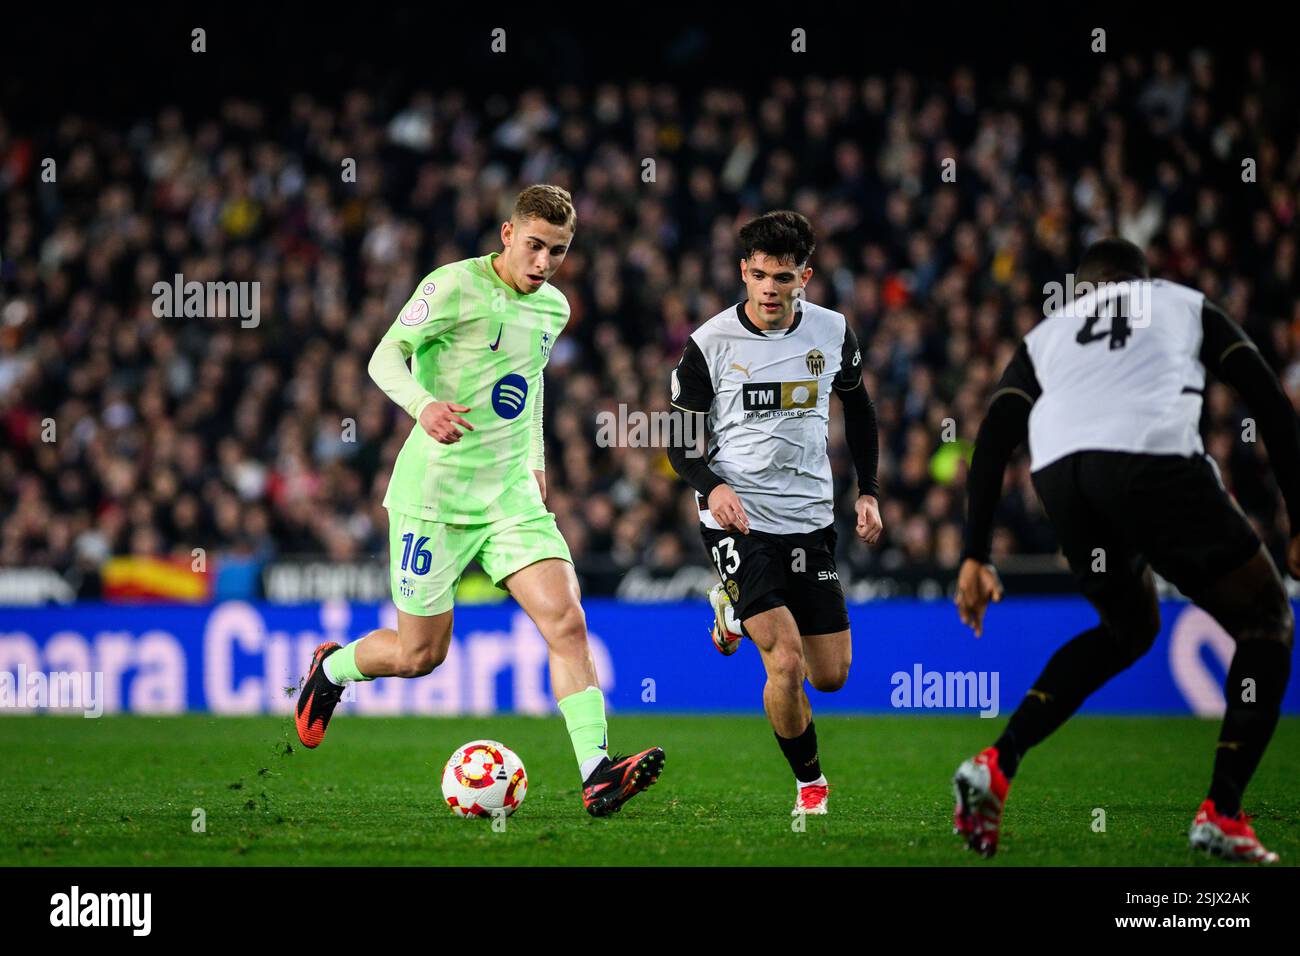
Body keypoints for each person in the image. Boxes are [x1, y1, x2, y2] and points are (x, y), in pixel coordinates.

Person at [295, 184, 664, 817]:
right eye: (535, 246)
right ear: (506, 235)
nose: (544, 262)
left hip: (510, 497)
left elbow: (532, 385)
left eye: (559, 251)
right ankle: (330, 673)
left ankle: (597, 773)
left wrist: (538, 461)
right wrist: (424, 405)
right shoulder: (452, 287)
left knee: (567, 621)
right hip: (433, 496)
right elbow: (384, 357)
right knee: (420, 655)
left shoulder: (554, 308)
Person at [953, 237, 1297, 861]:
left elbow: (994, 434)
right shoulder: (1181, 302)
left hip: (1062, 476)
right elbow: (1270, 402)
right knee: (1267, 617)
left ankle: (996, 762)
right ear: (1142, 278)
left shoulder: (1048, 333)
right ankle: (1222, 810)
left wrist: (975, 554)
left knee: (1127, 627)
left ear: (1083, 289)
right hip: (1152, 458)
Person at [667, 210, 882, 815]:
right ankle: (811, 785)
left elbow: (860, 411)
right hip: (738, 518)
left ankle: (730, 614)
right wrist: (711, 487)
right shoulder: (708, 345)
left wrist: (868, 490)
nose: (769, 289)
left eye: (782, 278)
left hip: (811, 519)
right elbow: (679, 443)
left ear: (804, 277)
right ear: (743, 271)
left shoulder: (833, 332)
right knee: (784, 661)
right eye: (758, 275)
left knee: (831, 674)